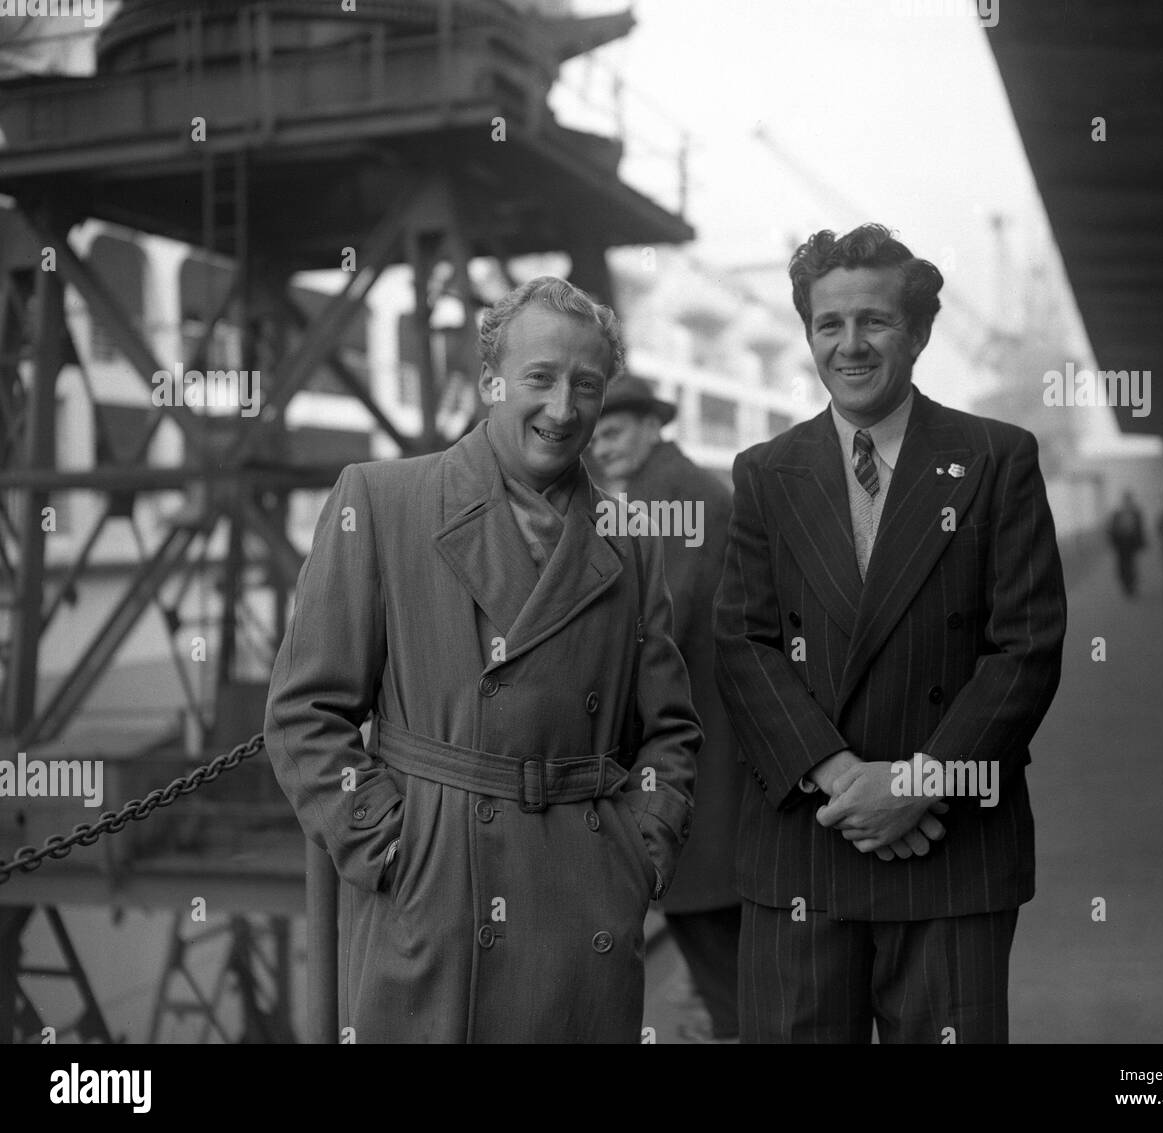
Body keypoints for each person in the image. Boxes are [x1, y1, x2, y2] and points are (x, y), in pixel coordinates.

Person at [262, 277, 699, 1043]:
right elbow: (305, 712)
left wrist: (643, 848)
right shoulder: (382, 499)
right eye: (540, 378)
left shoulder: (630, 540)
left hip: (582, 907)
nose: (563, 410)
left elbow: (669, 729)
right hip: (437, 903)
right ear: (489, 381)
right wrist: (389, 841)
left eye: (586, 385)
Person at [713, 224, 1067, 1044]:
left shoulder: (996, 457)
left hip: (951, 848)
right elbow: (743, 644)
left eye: (873, 320)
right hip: (807, 842)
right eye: (828, 324)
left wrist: (917, 783)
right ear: (808, 334)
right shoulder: (765, 472)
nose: (850, 344)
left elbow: (1026, 648)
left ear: (918, 332)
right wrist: (844, 778)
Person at [590, 376, 744, 1043]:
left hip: (703, 752)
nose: (601, 447)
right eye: (594, 437)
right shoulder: (678, 487)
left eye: (614, 431)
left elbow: (660, 631)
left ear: (652, 427)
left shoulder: (669, 496)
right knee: (720, 935)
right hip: (718, 739)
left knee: (709, 923)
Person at [1106, 490, 1147, 597]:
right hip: (1120, 545)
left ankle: (1130, 585)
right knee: (1122, 567)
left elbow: (1140, 529)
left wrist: (1141, 542)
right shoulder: (1117, 514)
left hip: (1131, 544)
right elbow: (1111, 530)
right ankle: (1126, 585)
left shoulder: (1135, 513)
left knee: (1130, 565)